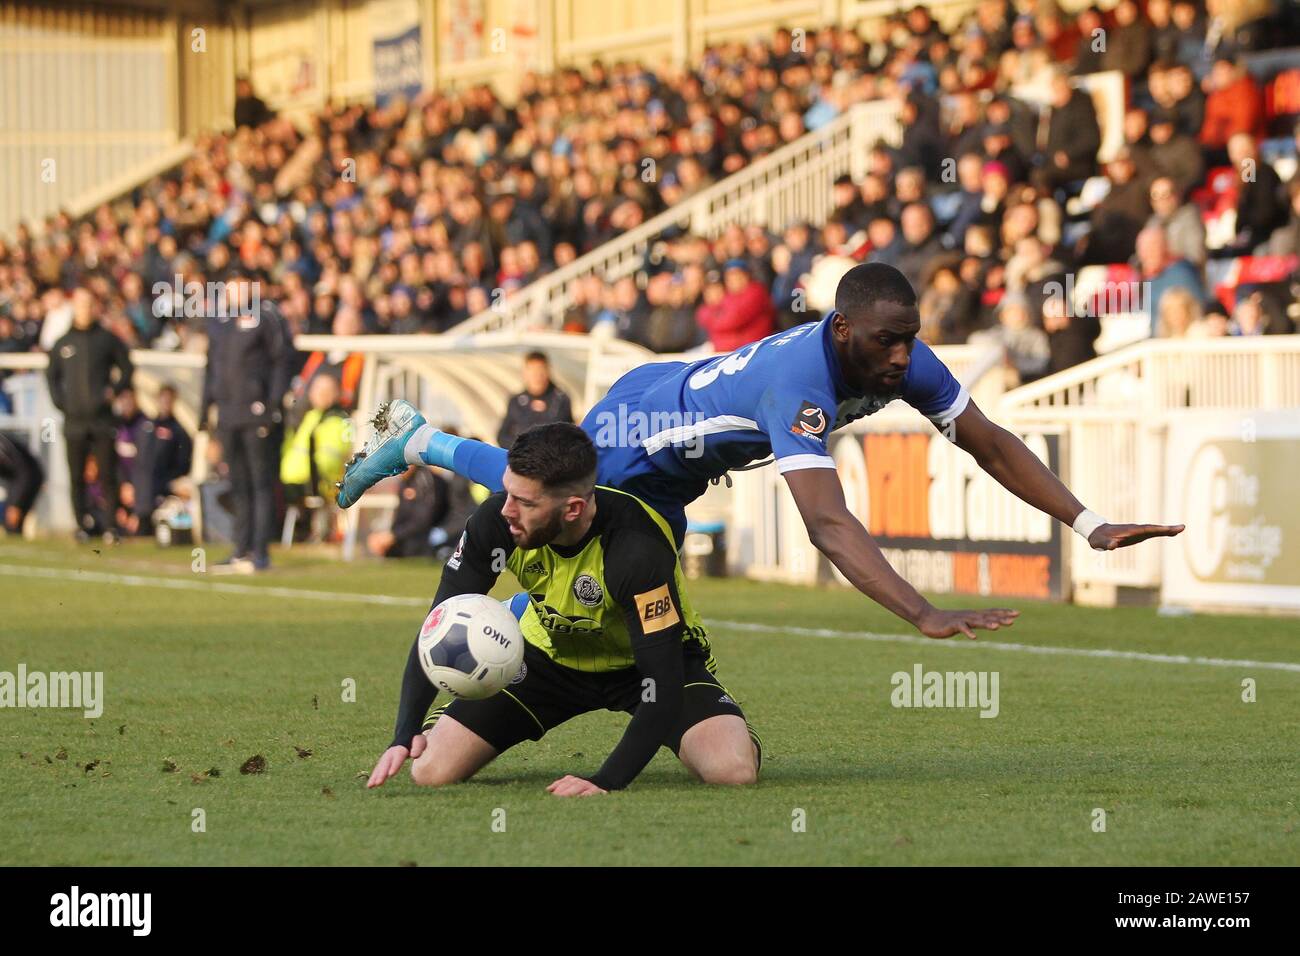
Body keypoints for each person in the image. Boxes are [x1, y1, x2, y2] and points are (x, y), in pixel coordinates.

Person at [340, 263, 1182, 641]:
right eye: (888, 343)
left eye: (910, 342)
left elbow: (990, 444)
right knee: (538, 495)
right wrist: (921, 611)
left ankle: (510, 620)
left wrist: (1089, 522)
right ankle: (419, 437)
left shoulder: (903, 358)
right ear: (842, 328)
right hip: (641, 431)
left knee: (629, 600)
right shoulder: (798, 385)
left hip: (683, 454)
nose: (902, 360)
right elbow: (827, 524)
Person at [366, 423, 760, 794]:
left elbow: (663, 681)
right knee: (431, 771)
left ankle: (730, 725)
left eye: (524, 502)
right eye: (507, 492)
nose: (507, 510)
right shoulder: (497, 523)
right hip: (548, 656)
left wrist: (607, 780)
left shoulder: (635, 548)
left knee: (732, 770)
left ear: (572, 509)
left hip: (641, 668)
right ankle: (521, 614)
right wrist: (405, 732)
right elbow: (438, 624)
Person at [199, 271, 293, 571]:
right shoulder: (221, 322)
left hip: (257, 415)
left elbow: (282, 361)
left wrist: (272, 404)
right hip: (229, 415)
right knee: (237, 483)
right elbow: (211, 368)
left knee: (260, 483)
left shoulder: (267, 316)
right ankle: (240, 548)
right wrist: (205, 409)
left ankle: (260, 552)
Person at [45, 288, 134, 542]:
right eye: (80, 305)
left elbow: (127, 367)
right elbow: (51, 376)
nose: (84, 310)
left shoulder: (106, 339)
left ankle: (110, 526)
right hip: (74, 422)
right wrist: (62, 403)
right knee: (76, 476)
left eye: (88, 305)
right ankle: (82, 524)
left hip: (102, 419)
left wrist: (112, 391)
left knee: (108, 474)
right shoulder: (63, 343)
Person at [130, 384, 193, 533]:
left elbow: (184, 464)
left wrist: (167, 482)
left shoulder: (179, 431)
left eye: (168, 400)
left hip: (163, 491)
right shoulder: (146, 427)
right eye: (162, 399)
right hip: (142, 492)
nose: (165, 403)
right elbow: (138, 461)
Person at [496, 351, 573, 450]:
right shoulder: (516, 401)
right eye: (532, 371)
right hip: (521, 458)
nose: (537, 376)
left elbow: (567, 436)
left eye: (540, 370)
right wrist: (522, 450)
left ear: (548, 371)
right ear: (525, 373)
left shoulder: (560, 400)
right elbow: (502, 436)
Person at [0, 431, 43, 534]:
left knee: (12, 522)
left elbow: (24, 472)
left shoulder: (4, 444)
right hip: (14, 479)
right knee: (9, 520)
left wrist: (16, 505)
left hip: (30, 477)